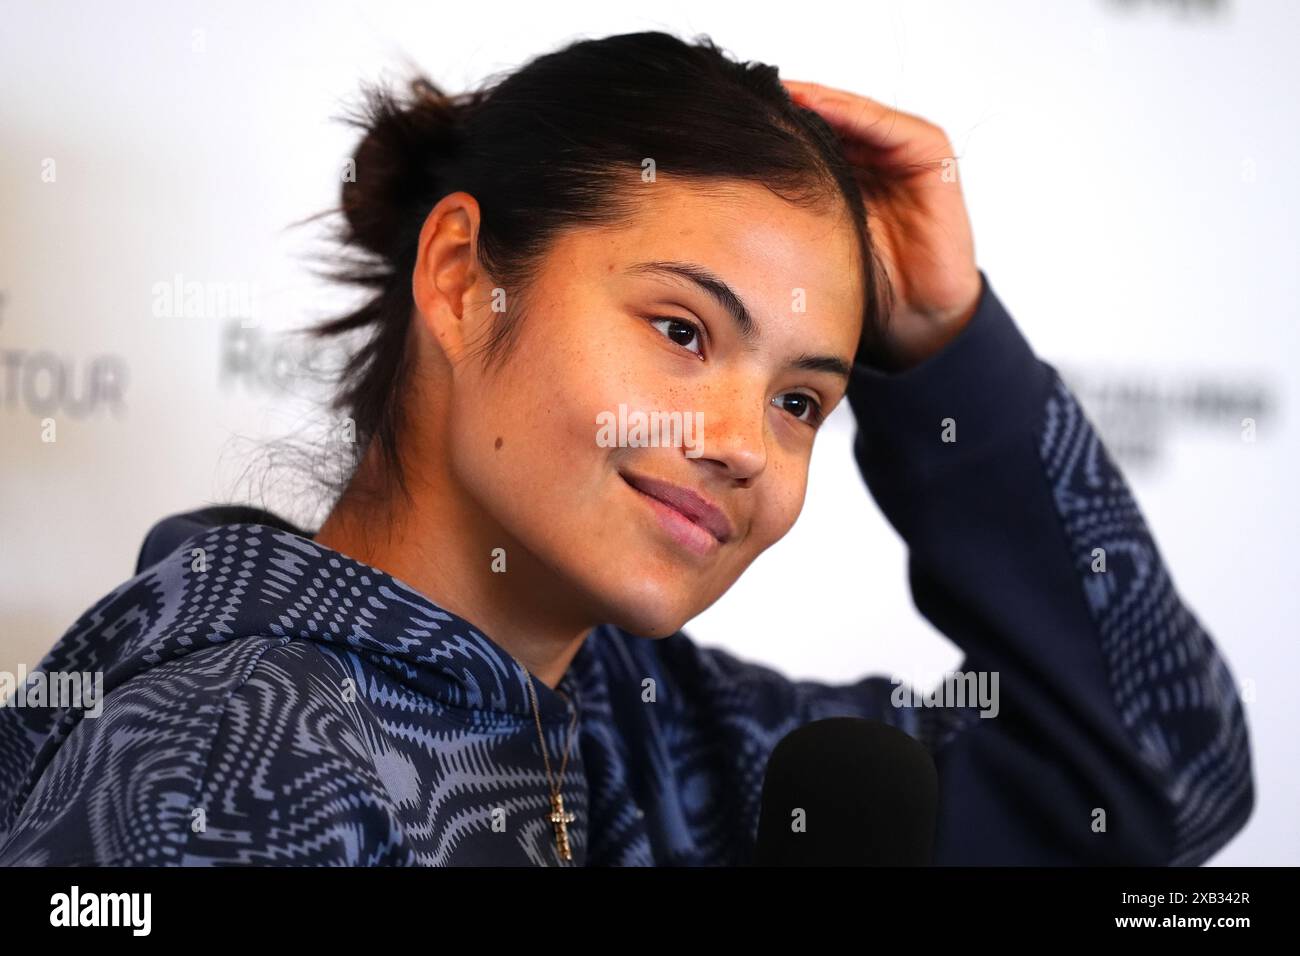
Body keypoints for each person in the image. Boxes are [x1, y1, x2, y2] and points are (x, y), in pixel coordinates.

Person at [0, 31, 1254, 866]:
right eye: (680, 328)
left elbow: (1158, 774)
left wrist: (946, 344)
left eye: (801, 401)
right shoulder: (223, 763)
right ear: (457, 280)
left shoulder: (661, 730)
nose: (744, 447)